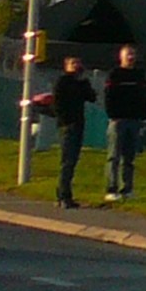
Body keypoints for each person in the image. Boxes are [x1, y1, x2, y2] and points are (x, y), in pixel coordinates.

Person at [103, 44, 146, 203]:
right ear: (121, 57)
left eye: (133, 54)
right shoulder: (115, 75)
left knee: (129, 158)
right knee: (114, 156)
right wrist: (113, 115)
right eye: (128, 54)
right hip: (118, 120)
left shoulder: (139, 75)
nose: (131, 57)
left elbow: (145, 96)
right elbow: (108, 96)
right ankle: (111, 189)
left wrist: (143, 116)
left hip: (134, 120)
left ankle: (127, 188)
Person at [48, 56, 96, 210]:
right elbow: (57, 103)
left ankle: (63, 193)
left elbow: (92, 97)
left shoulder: (80, 83)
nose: (76, 66)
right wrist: (64, 120)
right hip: (68, 124)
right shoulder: (63, 82)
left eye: (78, 63)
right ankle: (64, 195)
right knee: (67, 161)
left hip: (78, 123)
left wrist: (85, 82)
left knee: (73, 160)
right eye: (72, 63)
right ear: (66, 66)